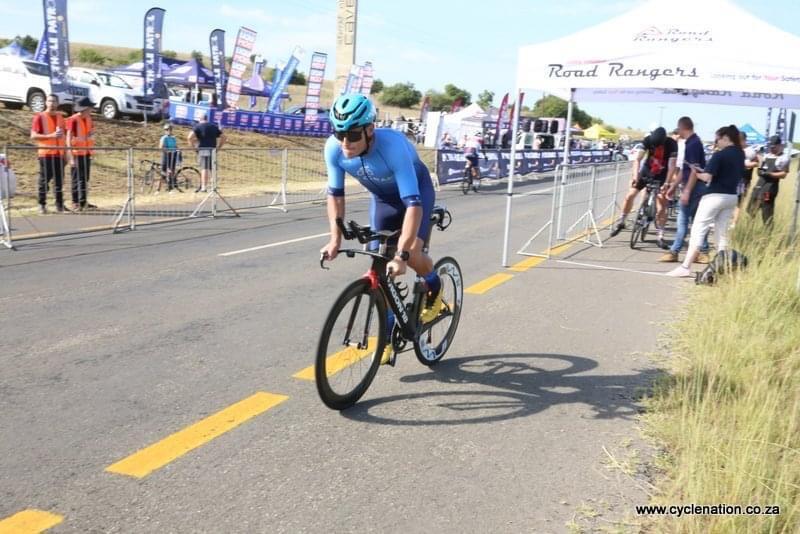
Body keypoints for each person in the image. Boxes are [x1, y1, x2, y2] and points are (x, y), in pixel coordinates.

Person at [320, 94, 441, 366]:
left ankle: (434, 284)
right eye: (338, 133)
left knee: (412, 252)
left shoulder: (393, 147)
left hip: (415, 195)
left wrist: (402, 256)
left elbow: (414, 206)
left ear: (369, 129)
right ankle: (387, 334)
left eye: (352, 134)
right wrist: (335, 239)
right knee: (378, 265)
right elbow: (335, 196)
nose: (345, 142)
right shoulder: (334, 149)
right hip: (383, 201)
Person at [667, 125, 744, 277]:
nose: (716, 143)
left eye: (717, 139)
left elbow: (707, 177)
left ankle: (685, 266)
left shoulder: (719, 155)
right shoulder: (740, 154)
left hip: (714, 197)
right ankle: (724, 266)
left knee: (698, 230)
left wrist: (696, 172)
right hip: (731, 197)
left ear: (724, 138)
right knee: (722, 233)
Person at [610, 126, 677, 239]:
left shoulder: (672, 144)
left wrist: (666, 183)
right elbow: (637, 160)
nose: (657, 148)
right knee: (629, 196)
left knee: (661, 206)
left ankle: (660, 234)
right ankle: (622, 221)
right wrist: (635, 176)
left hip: (662, 174)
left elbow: (672, 167)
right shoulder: (647, 140)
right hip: (646, 171)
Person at [660, 117, 710, 263]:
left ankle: (675, 251)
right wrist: (674, 186)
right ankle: (701, 251)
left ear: (683, 128)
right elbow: (685, 169)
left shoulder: (693, 144)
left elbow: (694, 170)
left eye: (679, 129)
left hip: (694, 187)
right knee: (696, 221)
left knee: (684, 220)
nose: (679, 132)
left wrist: (687, 191)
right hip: (691, 186)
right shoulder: (691, 143)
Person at [30, 94, 67, 214]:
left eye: (54, 101)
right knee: (44, 180)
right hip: (46, 154)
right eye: (49, 101)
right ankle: (41, 204)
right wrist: (50, 136)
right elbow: (33, 135)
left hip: (59, 154)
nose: (51, 103)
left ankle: (60, 205)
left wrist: (66, 152)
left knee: (59, 182)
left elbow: (64, 136)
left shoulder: (61, 117)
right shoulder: (39, 117)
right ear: (46, 102)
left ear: (57, 103)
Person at [748, 135, 789, 227]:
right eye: (770, 147)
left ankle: (768, 233)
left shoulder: (784, 158)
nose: (772, 149)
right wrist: (760, 169)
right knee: (751, 208)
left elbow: (784, 174)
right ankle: (749, 229)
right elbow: (761, 168)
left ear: (779, 145)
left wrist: (771, 174)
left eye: (774, 147)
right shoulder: (767, 155)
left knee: (766, 211)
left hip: (770, 187)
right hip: (760, 184)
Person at [65, 97, 96, 211]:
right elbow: (68, 138)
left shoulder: (89, 119)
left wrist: (90, 137)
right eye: (90, 107)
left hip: (86, 153)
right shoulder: (73, 119)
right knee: (76, 178)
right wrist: (70, 156)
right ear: (85, 108)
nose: (91, 109)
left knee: (84, 178)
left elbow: (90, 133)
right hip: (76, 153)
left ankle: (83, 201)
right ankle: (75, 202)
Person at [187, 113, 225, 193]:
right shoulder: (213, 126)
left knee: (204, 168)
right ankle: (214, 186)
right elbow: (224, 137)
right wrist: (219, 147)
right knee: (212, 168)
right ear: (207, 119)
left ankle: (204, 187)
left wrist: (194, 148)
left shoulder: (198, 126)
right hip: (213, 149)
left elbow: (189, 137)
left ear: (200, 119)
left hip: (203, 149)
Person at [731, 131, 759, 226]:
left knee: (739, 202)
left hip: (744, 179)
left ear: (743, 140)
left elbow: (756, 163)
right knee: (730, 199)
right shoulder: (735, 149)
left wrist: (747, 164)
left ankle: (734, 223)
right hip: (733, 178)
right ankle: (729, 220)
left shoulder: (750, 151)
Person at [159, 123, 179, 193]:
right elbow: (161, 147)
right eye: (166, 130)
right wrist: (166, 150)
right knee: (163, 171)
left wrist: (177, 151)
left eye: (169, 129)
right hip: (166, 155)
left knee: (171, 171)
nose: (168, 131)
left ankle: (170, 187)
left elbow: (176, 146)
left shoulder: (173, 138)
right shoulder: (164, 138)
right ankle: (161, 187)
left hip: (173, 155)